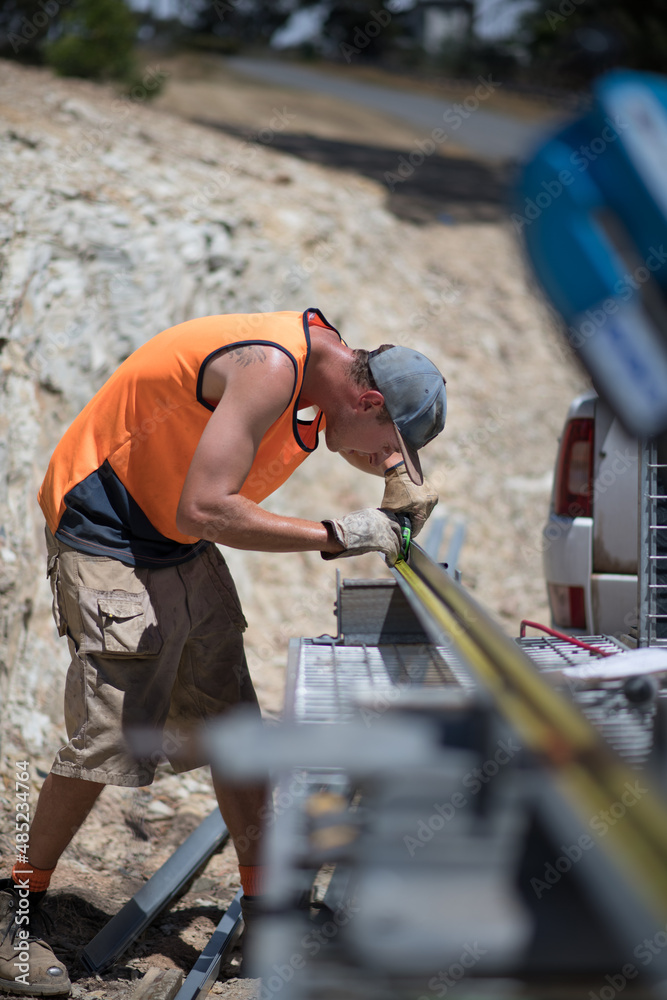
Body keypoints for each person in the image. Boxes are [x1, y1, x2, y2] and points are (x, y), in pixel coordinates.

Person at [0, 307, 446, 995]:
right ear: (367, 400)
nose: (384, 460)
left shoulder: (327, 376)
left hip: (171, 534)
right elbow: (206, 509)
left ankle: (270, 916)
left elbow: (203, 508)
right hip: (107, 527)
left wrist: (391, 471)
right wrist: (340, 533)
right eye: (388, 443)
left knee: (234, 726)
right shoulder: (270, 368)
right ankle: (15, 909)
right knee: (110, 734)